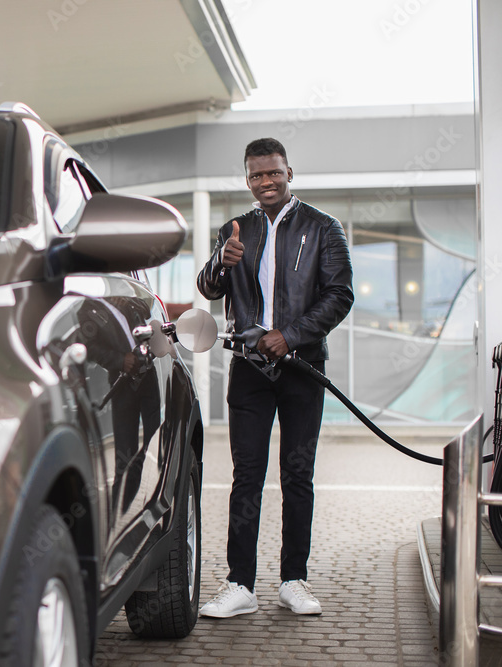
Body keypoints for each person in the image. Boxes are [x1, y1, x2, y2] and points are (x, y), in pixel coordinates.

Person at [195, 137, 354, 618]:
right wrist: (221, 261)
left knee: (297, 475)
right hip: (248, 368)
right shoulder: (234, 228)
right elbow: (207, 288)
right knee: (246, 476)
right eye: (256, 175)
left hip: (302, 368)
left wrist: (291, 334)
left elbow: (340, 295)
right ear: (247, 179)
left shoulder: (323, 228)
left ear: (289, 173)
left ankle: (293, 580)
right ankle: (240, 584)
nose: (266, 182)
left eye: (273, 173)